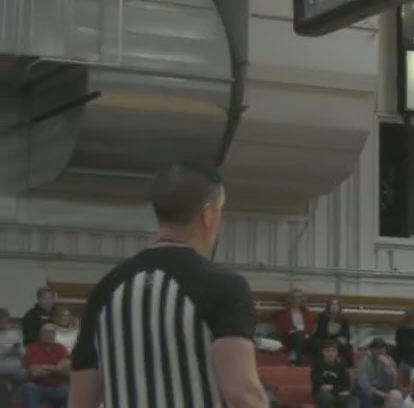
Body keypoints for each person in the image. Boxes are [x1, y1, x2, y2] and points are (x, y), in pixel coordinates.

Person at [67, 164, 267, 408]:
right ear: (208, 215)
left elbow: (80, 400)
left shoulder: (106, 289)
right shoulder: (225, 286)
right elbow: (242, 392)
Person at [21, 322, 70, 408]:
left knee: (70, 390)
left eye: (52, 332)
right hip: (39, 388)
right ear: (40, 335)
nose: (50, 335)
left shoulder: (61, 349)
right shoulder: (32, 348)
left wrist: (45, 367)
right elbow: (34, 374)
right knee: (29, 387)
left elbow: (67, 372)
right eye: (46, 332)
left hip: (58, 388)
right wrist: (56, 368)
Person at [275, 289, 315, 366]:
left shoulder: (307, 313)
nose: (298, 300)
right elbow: (284, 329)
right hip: (290, 339)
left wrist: (300, 330)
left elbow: (311, 327)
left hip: (305, 337)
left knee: (317, 343)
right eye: (295, 298)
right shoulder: (283, 314)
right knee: (299, 335)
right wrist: (299, 330)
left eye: (300, 298)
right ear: (290, 300)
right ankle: (298, 362)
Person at [313, 340, 358, 408]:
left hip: (338, 393)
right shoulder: (317, 365)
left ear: (337, 353)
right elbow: (319, 386)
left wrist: (332, 388)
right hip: (321, 394)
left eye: (333, 351)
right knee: (327, 398)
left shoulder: (342, 365)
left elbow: (346, 386)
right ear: (323, 352)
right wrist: (336, 388)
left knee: (354, 400)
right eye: (327, 351)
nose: (330, 353)